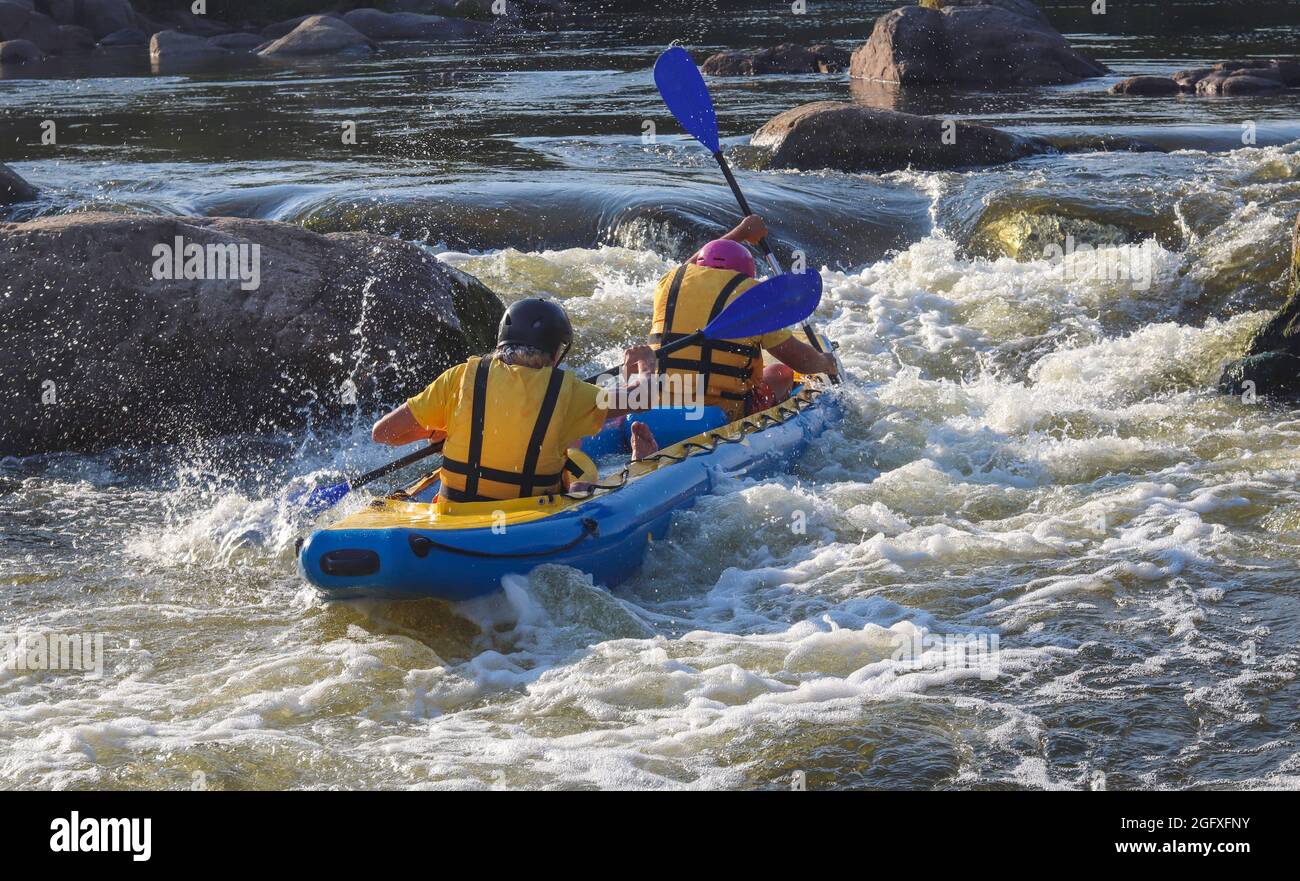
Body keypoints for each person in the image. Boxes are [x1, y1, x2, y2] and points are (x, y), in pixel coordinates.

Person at [372, 298, 658, 503]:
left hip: (454, 513)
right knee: (577, 461)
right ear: (555, 352)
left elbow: (383, 433)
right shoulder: (568, 391)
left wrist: (441, 431)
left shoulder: (460, 376)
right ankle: (631, 468)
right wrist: (646, 363)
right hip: (529, 516)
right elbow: (643, 398)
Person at [650, 214, 837, 419]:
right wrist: (826, 363)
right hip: (723, 412)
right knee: (780, 373)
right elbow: (801, 361)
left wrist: (741, 233)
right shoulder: (752, 297)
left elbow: (689, 265)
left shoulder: (670, 283)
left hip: (659, 404)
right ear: (746, 274)